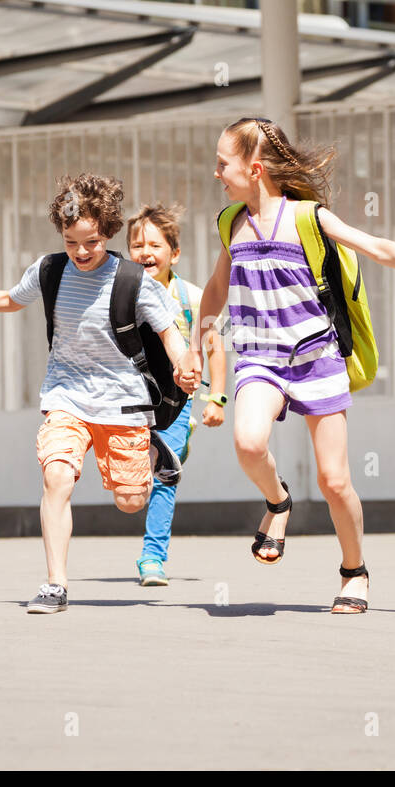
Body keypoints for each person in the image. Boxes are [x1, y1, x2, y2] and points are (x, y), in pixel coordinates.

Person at [188, 116, 395, 613]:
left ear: (256, 168)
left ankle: (354, 571)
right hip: (261, 358)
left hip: (316, 358)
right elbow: (216, 289)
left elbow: (374, 247)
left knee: (334, 481)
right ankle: (278, 500)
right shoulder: (231, 224)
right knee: (248, 443)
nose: (216, 173)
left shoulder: (309, 218)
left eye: (223, 164)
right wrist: (195, 343)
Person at [0, 173, 199, 614]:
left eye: (91, 242)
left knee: (130, 501)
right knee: (57, 477)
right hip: (66, 396)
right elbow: (11, 299)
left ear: (107, 231)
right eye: (72, 242)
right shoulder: (50, 270)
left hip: (123, 402)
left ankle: (155, 454)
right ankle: (55, 584)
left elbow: (168, 331)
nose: (81, 252)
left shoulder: (132, 280)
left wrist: (183, 364)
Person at [126, 203, 228, 586]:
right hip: (129, 401)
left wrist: (216, 399)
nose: (145, 253)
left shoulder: (193, 298)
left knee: (166, 474)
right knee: (134, 484)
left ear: (174, 253)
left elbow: (215, 347)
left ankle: (152, 557)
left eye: (154, 244)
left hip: (177, 403)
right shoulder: (121, 292)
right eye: (137, 245)